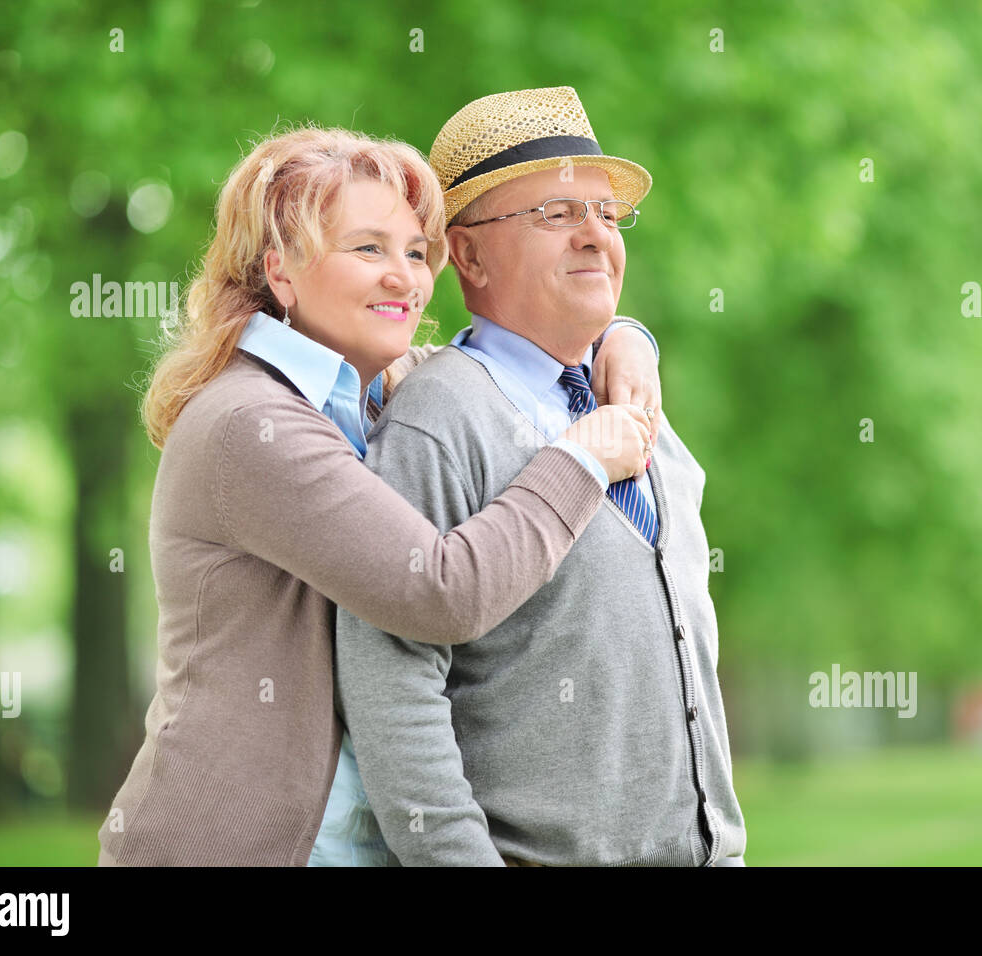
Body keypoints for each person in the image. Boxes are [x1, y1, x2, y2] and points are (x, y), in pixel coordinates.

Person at [97, 124, 666, 866]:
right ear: (282, 269)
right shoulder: (252, 423)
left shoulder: (375, 393)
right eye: (368, 249)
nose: (405, 277)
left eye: (416, 252)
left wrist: (623, 335)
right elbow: (440, 591)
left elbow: (522, 352)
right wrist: (584, 458)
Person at [334, 87, 747, 866]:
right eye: (557, 215)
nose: (596, 236)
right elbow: (391, 689)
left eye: (606, 214)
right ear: (470, 254)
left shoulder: (629, 396)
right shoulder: (438, 419)